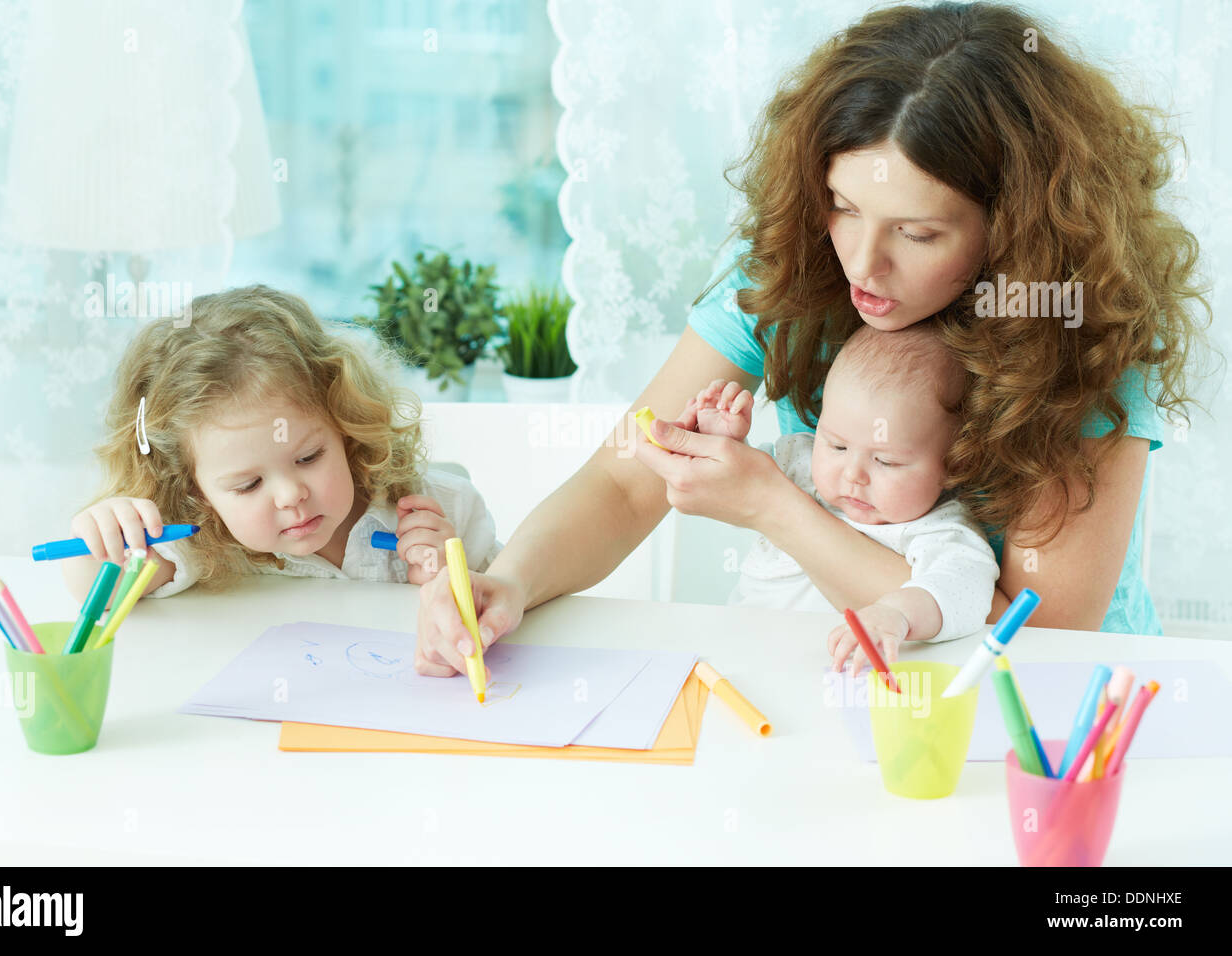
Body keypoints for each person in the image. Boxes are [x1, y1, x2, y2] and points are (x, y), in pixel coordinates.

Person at [413, 1, 1212, 680]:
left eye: (919, 231)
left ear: (1014, 232)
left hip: (1039, 704)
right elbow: (628, 481)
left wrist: (773, 505)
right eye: (843, 205)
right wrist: (510, 580)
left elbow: (1030, 635)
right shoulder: (785, 271)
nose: (863, 264)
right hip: (841, 669)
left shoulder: (1080, 331)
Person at [60, 285, 501, 608]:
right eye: (248, 484)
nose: (291, 495)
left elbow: (515, 603)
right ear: (194, 490)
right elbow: (98, 595)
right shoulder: (202, 540)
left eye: (308, 457)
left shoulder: (448, 509)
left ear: (345, 424)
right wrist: (103, 538)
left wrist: (447, 581)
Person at [688, 321, 999, 669]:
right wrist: (724, 440)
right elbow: (731, 484)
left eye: (886, 461)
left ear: (953, 464)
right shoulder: (798, 465)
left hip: (836, 679)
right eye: (837, 445)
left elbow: (964, 590)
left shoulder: (939, 528)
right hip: (740, 661)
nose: (853, 474)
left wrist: (897, 613)